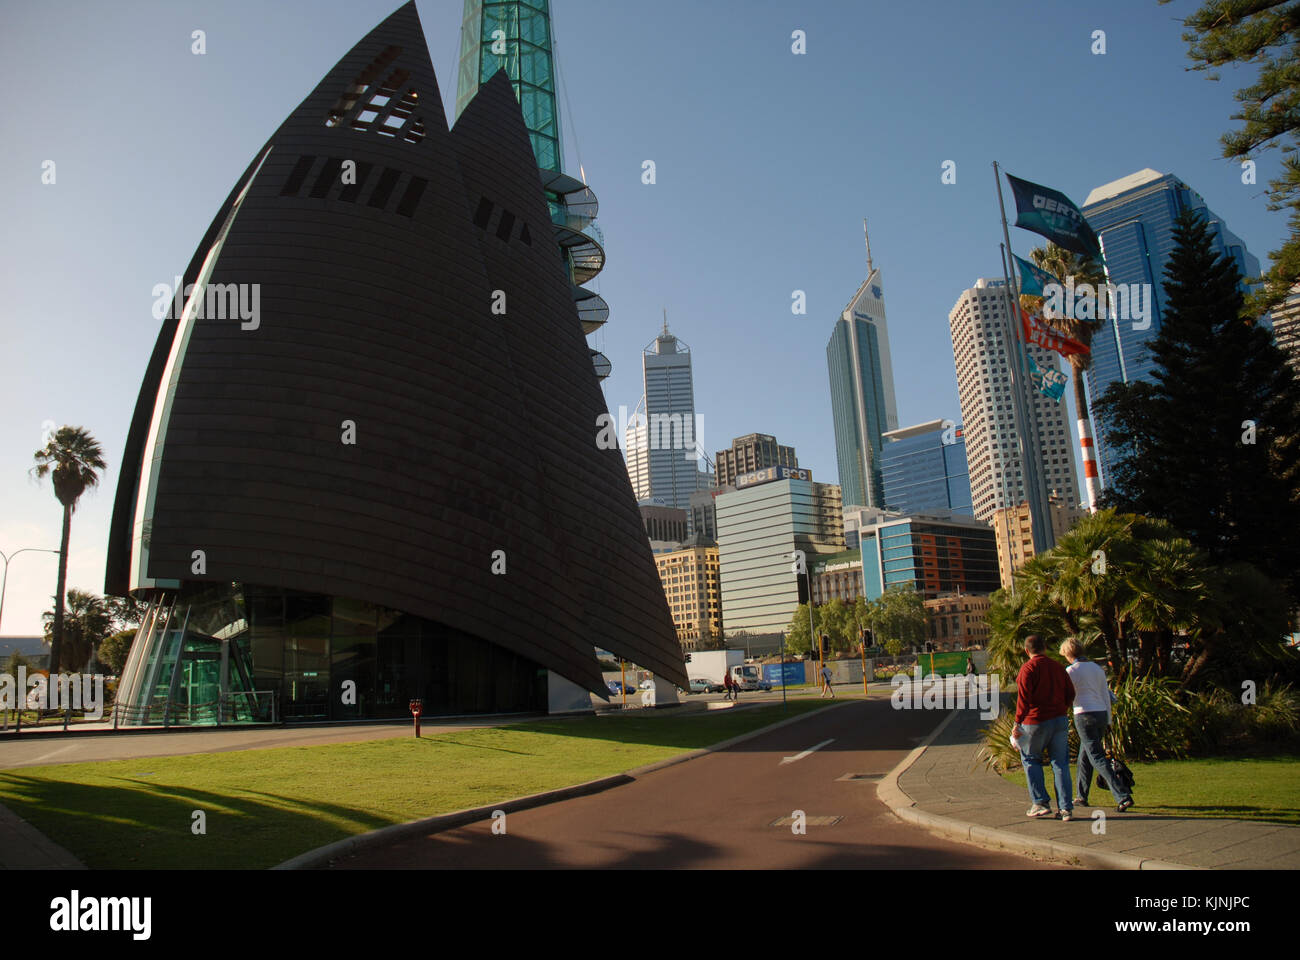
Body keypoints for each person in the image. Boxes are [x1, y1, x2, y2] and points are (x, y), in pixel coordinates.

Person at [1061, 638, 1133, 813]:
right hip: (1100, 713)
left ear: (1068, 653)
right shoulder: (1097, 668)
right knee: (1085, 754)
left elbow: (1065, 695)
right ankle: (1081, 796)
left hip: (1083, 714)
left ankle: (1122, 795)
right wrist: (1108, 720)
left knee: (1096, 756)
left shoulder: (1071, 671)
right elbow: (1105, 695)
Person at [1012, 635, 1075, 820]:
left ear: (1027, 651)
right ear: (1045, 648)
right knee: (1060, 763)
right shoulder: (1057, 666)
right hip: (1059, 719)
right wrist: (1062, 707)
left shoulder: (1028, 669)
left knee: (1031, 759)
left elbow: (1023, 699)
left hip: (1035, 721)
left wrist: (1017, 722)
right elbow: (1070, 692)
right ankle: (1065, 808)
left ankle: (1040, 802)